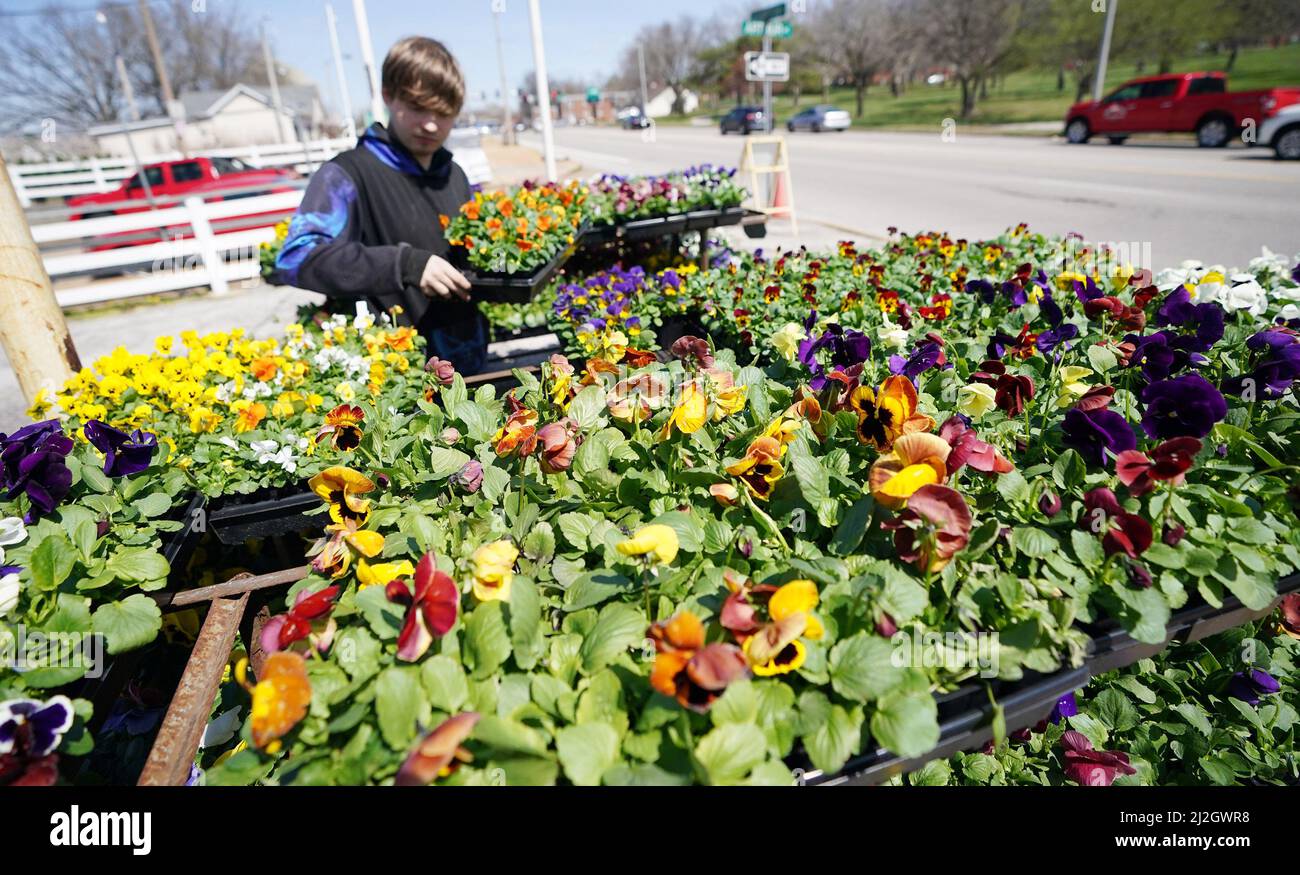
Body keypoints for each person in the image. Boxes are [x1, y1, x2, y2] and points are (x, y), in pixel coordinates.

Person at [274, 36, 486, 374]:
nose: (431, 124)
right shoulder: (345, 174)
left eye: (443, 113)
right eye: (418, 107)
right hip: (397, 379)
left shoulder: (454, 174)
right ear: (388, 95)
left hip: (468, 363)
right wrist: (405, 264)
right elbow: (296, 257)